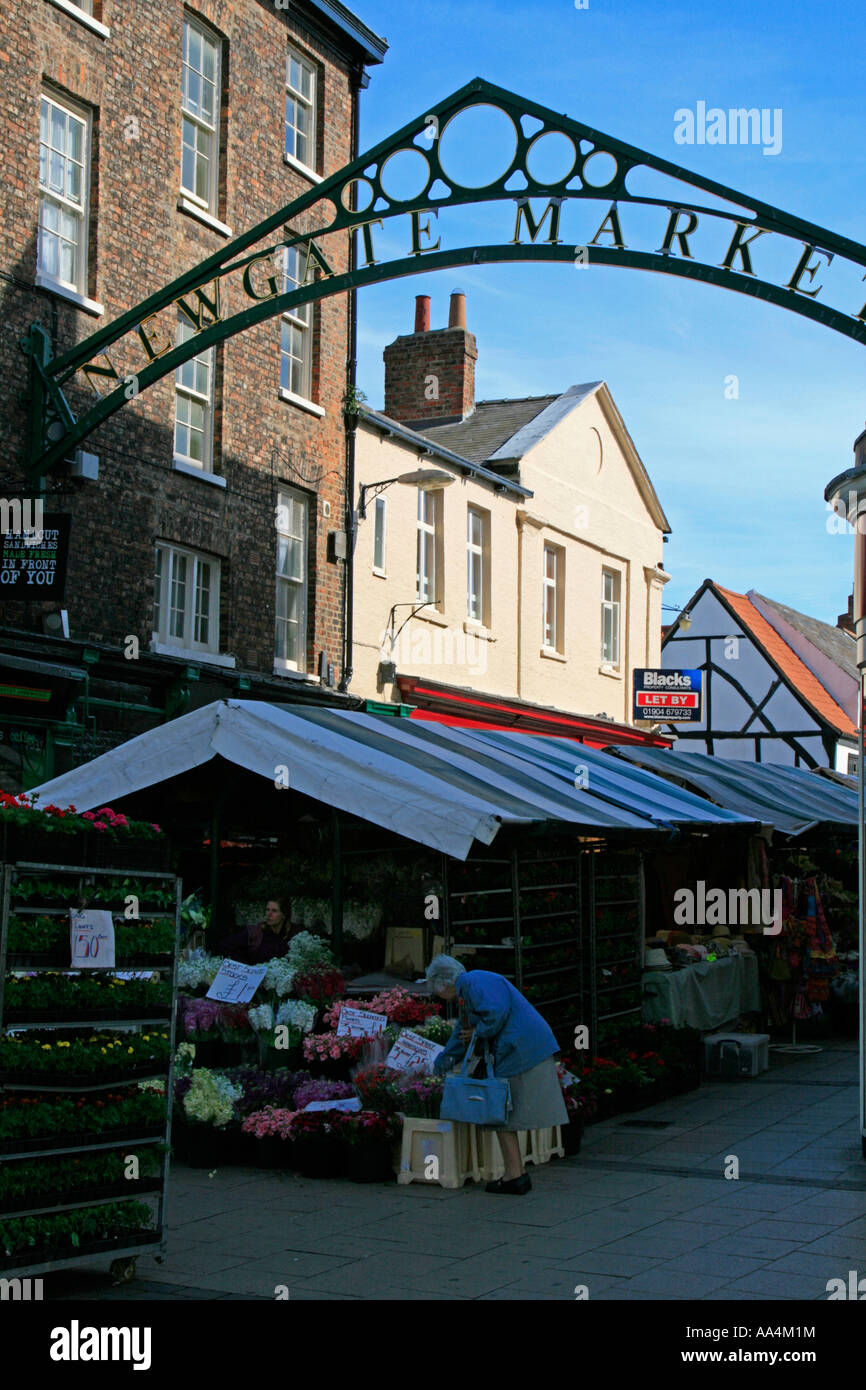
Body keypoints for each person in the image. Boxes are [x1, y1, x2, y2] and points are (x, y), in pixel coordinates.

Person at [427, 955, 568, 1195]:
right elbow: (462, 1035)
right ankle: (515, 1173)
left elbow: (494, 1014)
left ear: (443, 983)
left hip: (521, 1049)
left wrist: (477, 1032)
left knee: (502, 1112)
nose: (437, 995)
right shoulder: (469, 989)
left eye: (435, 989)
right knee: (503, 1113)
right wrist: (438, 1066)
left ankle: (515, 1175)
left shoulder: (473, 981)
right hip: (519, 1048)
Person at [217, 897, 294, 964]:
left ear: (283, 915)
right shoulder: (256, 932)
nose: (269, 914)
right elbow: (224, 945)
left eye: (274, 911)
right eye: (267, 910)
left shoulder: (291, 936)